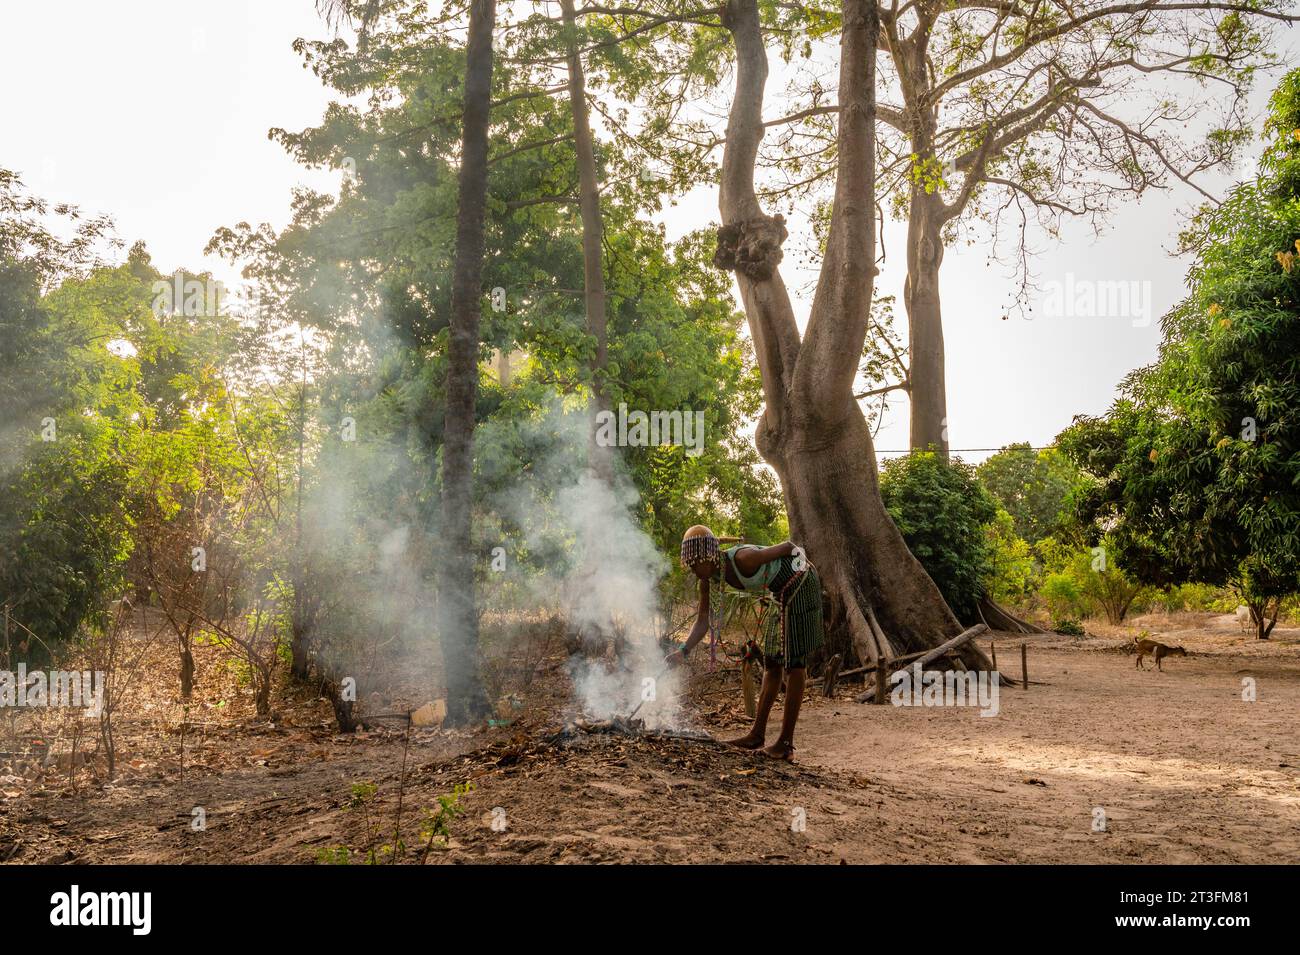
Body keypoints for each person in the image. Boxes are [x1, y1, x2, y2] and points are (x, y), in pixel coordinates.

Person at [666, 524, 824, 761]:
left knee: (794, 664)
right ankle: (756, 735)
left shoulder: (743, 558)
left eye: (695, 562)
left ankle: (785, 744)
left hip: (800, 584)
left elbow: (790, 547)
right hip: (780, 592)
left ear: (708, 555)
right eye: (689, 564)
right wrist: (683, 651)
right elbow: (702, 622)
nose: (692, 569)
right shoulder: (708, 578)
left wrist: (801, 571)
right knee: (772, 663)